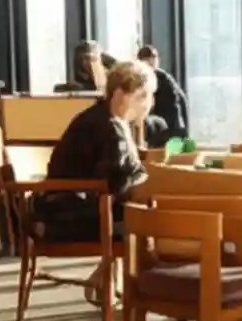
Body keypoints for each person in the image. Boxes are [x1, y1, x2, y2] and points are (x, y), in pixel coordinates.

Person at [35, 61, 154, 244]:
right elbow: (115, 182)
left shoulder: (104, 117)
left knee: (149, 214)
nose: (147, 104)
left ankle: (106, 272)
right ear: (120, 94)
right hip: (69, 216)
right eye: (142, 96)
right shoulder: (108, 126)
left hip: (65, 209)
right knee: (151, 222)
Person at [136, 45, 189, 146]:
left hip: (167, 125)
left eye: (153, 59)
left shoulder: (161, 78)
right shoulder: (163, 77)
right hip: (172, 126)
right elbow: (182, 100)